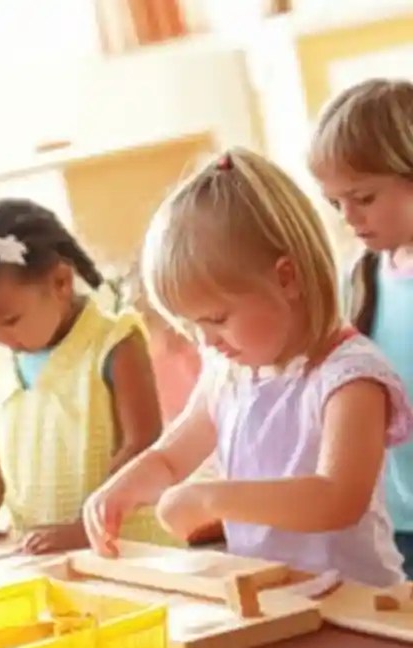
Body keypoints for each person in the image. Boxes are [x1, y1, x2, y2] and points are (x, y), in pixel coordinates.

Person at [85, 148, 411, 587]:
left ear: (287, 278)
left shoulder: (349, 376)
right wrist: (120, 490)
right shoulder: (228, 374)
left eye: (217, 319)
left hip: (359, 604)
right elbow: (168, 459)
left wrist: (210, 499)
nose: (206, 340)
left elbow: (337, 498)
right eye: (191, 325)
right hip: (276, 597)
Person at [0, 199, 175, 555]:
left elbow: (143, 444)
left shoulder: (114, 342)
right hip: (40, 551)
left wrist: (86, 526)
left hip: (124, 546)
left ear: (61, 282)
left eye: (9, 321)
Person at [310, 78, 413, 579]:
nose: (349, 217)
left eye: (364, 197)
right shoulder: (362, 277)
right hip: (398, 524)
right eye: (336, 203)